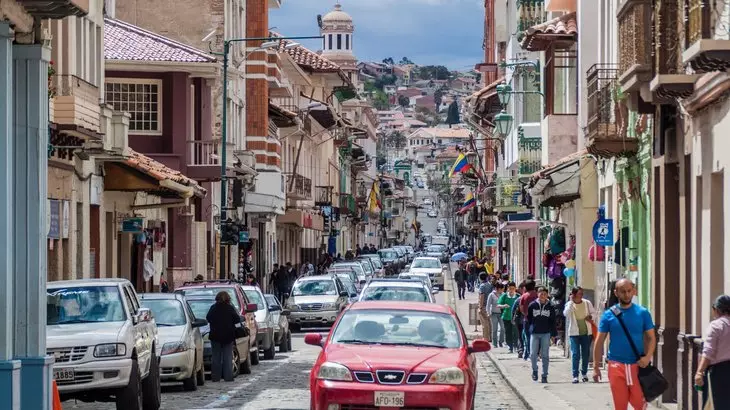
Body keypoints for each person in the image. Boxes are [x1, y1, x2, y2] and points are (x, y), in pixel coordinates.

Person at [593, 278, 656, 410]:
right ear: (616, 293)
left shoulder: (642, 313)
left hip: (637, 366)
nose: (626, 295)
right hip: (616, 365)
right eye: (623, 291)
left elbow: (651, 338)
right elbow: (599, 342)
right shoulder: (608, 315)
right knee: (620, 406)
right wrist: (596, 367)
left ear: (634, 291)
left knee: (639, 404)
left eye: (629, 291)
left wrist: (647, 357)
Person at [694, 294, 730, 409]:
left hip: (719, 373)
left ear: (716, 310)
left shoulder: (715, 326)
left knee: (716, 405)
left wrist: (699, 372)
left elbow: (708, 352)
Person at [206, 291, 242, 382]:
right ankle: (228, 376)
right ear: (228, 299)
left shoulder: (213, 308)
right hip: (228, 336)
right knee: (228, 357)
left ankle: (215, 377)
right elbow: (237, 319)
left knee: (216, 357)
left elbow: (208, 318)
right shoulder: (230, 308)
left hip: (215, 336)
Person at [564, 286, 596, 383]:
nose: (581, 295)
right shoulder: (569, 304)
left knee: (585, 354)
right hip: (574, 333)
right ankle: (575, 375)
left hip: (586, 333)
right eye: (579, 293)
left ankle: (584, 373)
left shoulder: (587, 303)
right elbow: (566, 314)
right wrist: (571, 302)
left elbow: (594, 313)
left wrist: (590, 316)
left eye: (582, 293)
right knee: (575, 354)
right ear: (574, 294)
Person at [526, 286, 557, 383]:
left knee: (545, 355)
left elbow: (553, 320)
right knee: (533, 354)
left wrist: (553, 334)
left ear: (547, 295)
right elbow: (529, 318)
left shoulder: (550, 306)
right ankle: (535, 370)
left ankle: (544, 375)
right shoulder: (532, 305)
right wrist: (530, 329)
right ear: (537, 294)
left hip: (546, 333)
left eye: (544, 294)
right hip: (534, 333)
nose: (543, 296)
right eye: (541, 293)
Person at [518, 279, 539, 360]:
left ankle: (530, 353)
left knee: (528, 337)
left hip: (527, 319)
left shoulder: (524, 296)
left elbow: (521, 308)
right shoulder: (537, 295)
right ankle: (535, 353)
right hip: (537, 319)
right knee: (537, 337)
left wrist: (526, 314)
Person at [498, 281, 520, 353]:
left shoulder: (518, 296)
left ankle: (516, 346)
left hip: (515, 318)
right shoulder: (504, 296)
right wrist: (504, 306)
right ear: (507, 288)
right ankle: (510, 346)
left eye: (513, 288)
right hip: (506, 317)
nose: (511, 290)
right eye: (510, 288)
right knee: (508, 332)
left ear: (515, 288)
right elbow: (498, 305)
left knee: (516, 332)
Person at [486, 282, 505, 347]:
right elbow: (488, 305)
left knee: (503, 328)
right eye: (501, 289)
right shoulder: (491, 295)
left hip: (501, 314)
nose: (502, 290)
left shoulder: (503, 294)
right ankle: (494, 343)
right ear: (497, 289)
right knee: (495, 329)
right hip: (493, 313)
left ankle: (501, 341)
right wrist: (488, 313)